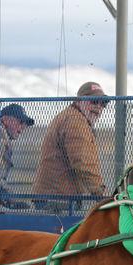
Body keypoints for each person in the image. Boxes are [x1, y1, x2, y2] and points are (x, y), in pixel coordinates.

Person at [33, 81, 109, 212]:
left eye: (103, 103)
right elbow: (83, 162)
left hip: (55, 196)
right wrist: (100, 193)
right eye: (94, 101)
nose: (99, 107)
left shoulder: (73, 117)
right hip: (58, 199)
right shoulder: (76, 122)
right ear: (79, 101)